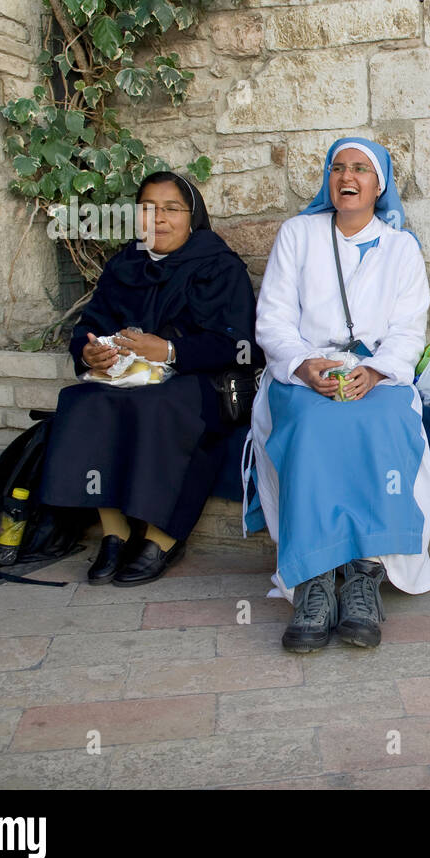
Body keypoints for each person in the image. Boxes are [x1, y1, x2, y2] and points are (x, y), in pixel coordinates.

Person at [246, 137, 430, 652]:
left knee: (383, 423)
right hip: (304, 370)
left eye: (360, 169)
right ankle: (312, 583)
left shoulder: (402, 249)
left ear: (380, 185)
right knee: (311, 427)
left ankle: (361, 578)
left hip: (376, 374)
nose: (346, 177)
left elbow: (407, 333)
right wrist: (305, 367)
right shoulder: (298, 234)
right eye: (338, 168)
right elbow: (274, 319)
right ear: (328, 180)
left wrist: (374, 373)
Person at [39, 171, 259, 585]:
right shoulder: (126, 265)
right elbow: (90, 326)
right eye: (147, 208)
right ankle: (114, 533)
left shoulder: (219, 266)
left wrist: (172, 351)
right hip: (127, 379)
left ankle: (162, 538)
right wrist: (90, 352)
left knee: (161, 407)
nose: (157, 218)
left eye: (171, 209)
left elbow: (244, 348)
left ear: (191, 217)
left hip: (199, 382)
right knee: (83, 402)